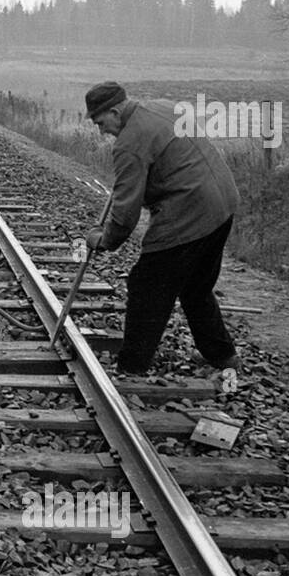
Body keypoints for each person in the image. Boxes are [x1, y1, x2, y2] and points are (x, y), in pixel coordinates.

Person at [82, 82, 241, 376]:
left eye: (101, 123)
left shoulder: (129, 143)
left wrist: (103, 240)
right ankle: (223, 356)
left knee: (146, 285)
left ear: (115, 111)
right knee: (195, 287)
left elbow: (126, 214)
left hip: (190, 213)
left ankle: (132, 368)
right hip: (223, 203)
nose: (101, 131)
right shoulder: (161, 107)